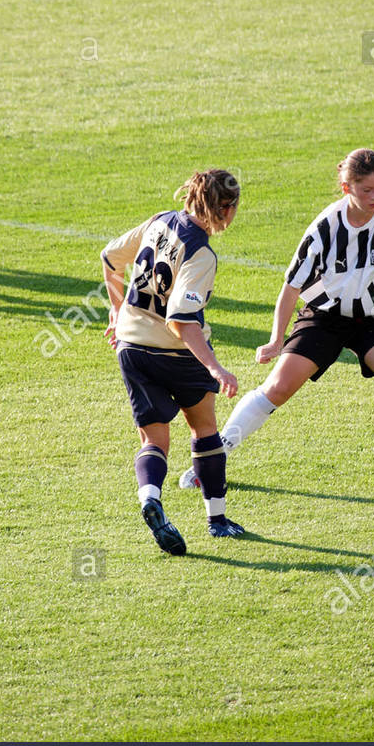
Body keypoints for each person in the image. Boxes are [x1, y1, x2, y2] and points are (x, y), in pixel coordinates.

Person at [180, 148, 374, 496]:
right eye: (367, 190)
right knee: (278, 386)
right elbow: (291, 287)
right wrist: (277, 339)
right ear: (345, 187)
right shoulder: (325, 227)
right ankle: (212, 461)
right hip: (323, 317)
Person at [102, 169, 245, 556]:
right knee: (203, 429)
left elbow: (110, 259)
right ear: (225, 209)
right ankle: (217, 521)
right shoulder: (200, 253)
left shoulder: (159, 221)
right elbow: (181, 320)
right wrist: (215, 367)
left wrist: (117, 314)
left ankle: (151, 499)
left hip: (130, 346)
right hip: (175, 354)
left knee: (154, 440)